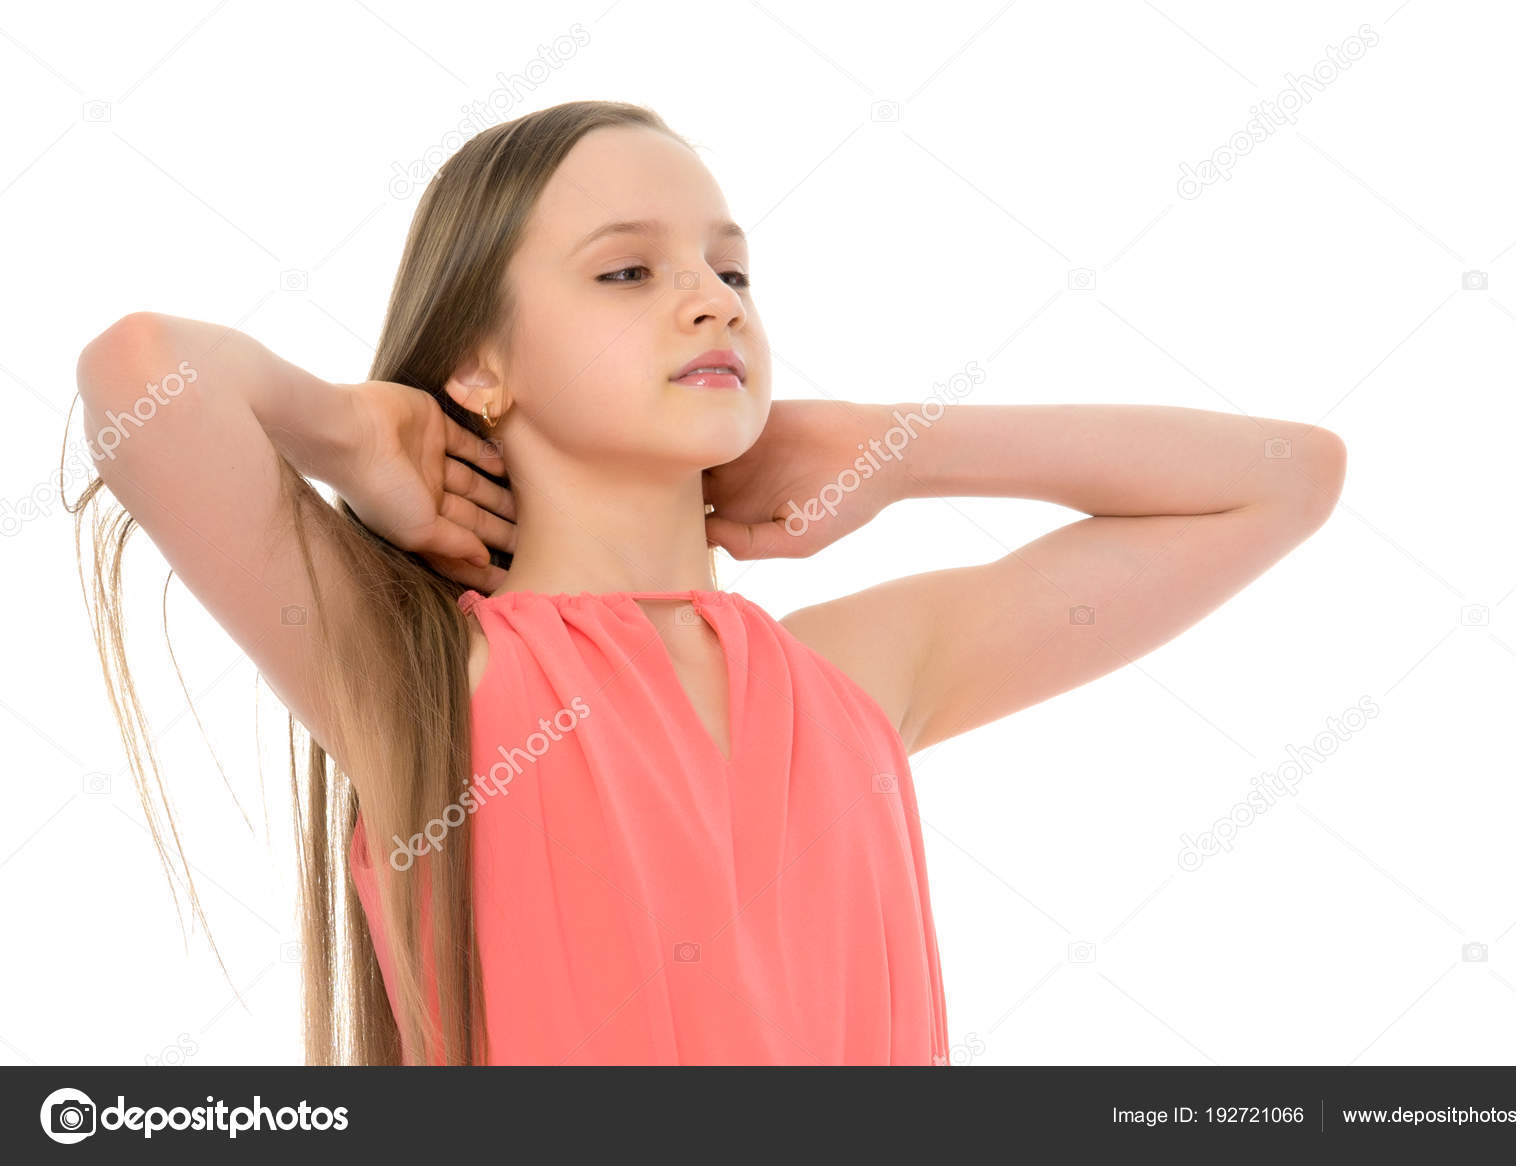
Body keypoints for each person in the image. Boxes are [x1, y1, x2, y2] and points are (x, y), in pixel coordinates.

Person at [68, 99, 1345, 1065]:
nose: (710, 302)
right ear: (479, 365)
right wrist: (352, 428)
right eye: (628, 270)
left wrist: (899, 446)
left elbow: (1286, 479)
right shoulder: (428, 680)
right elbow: (141, 373)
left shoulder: (850, 676)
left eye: (731, 272)